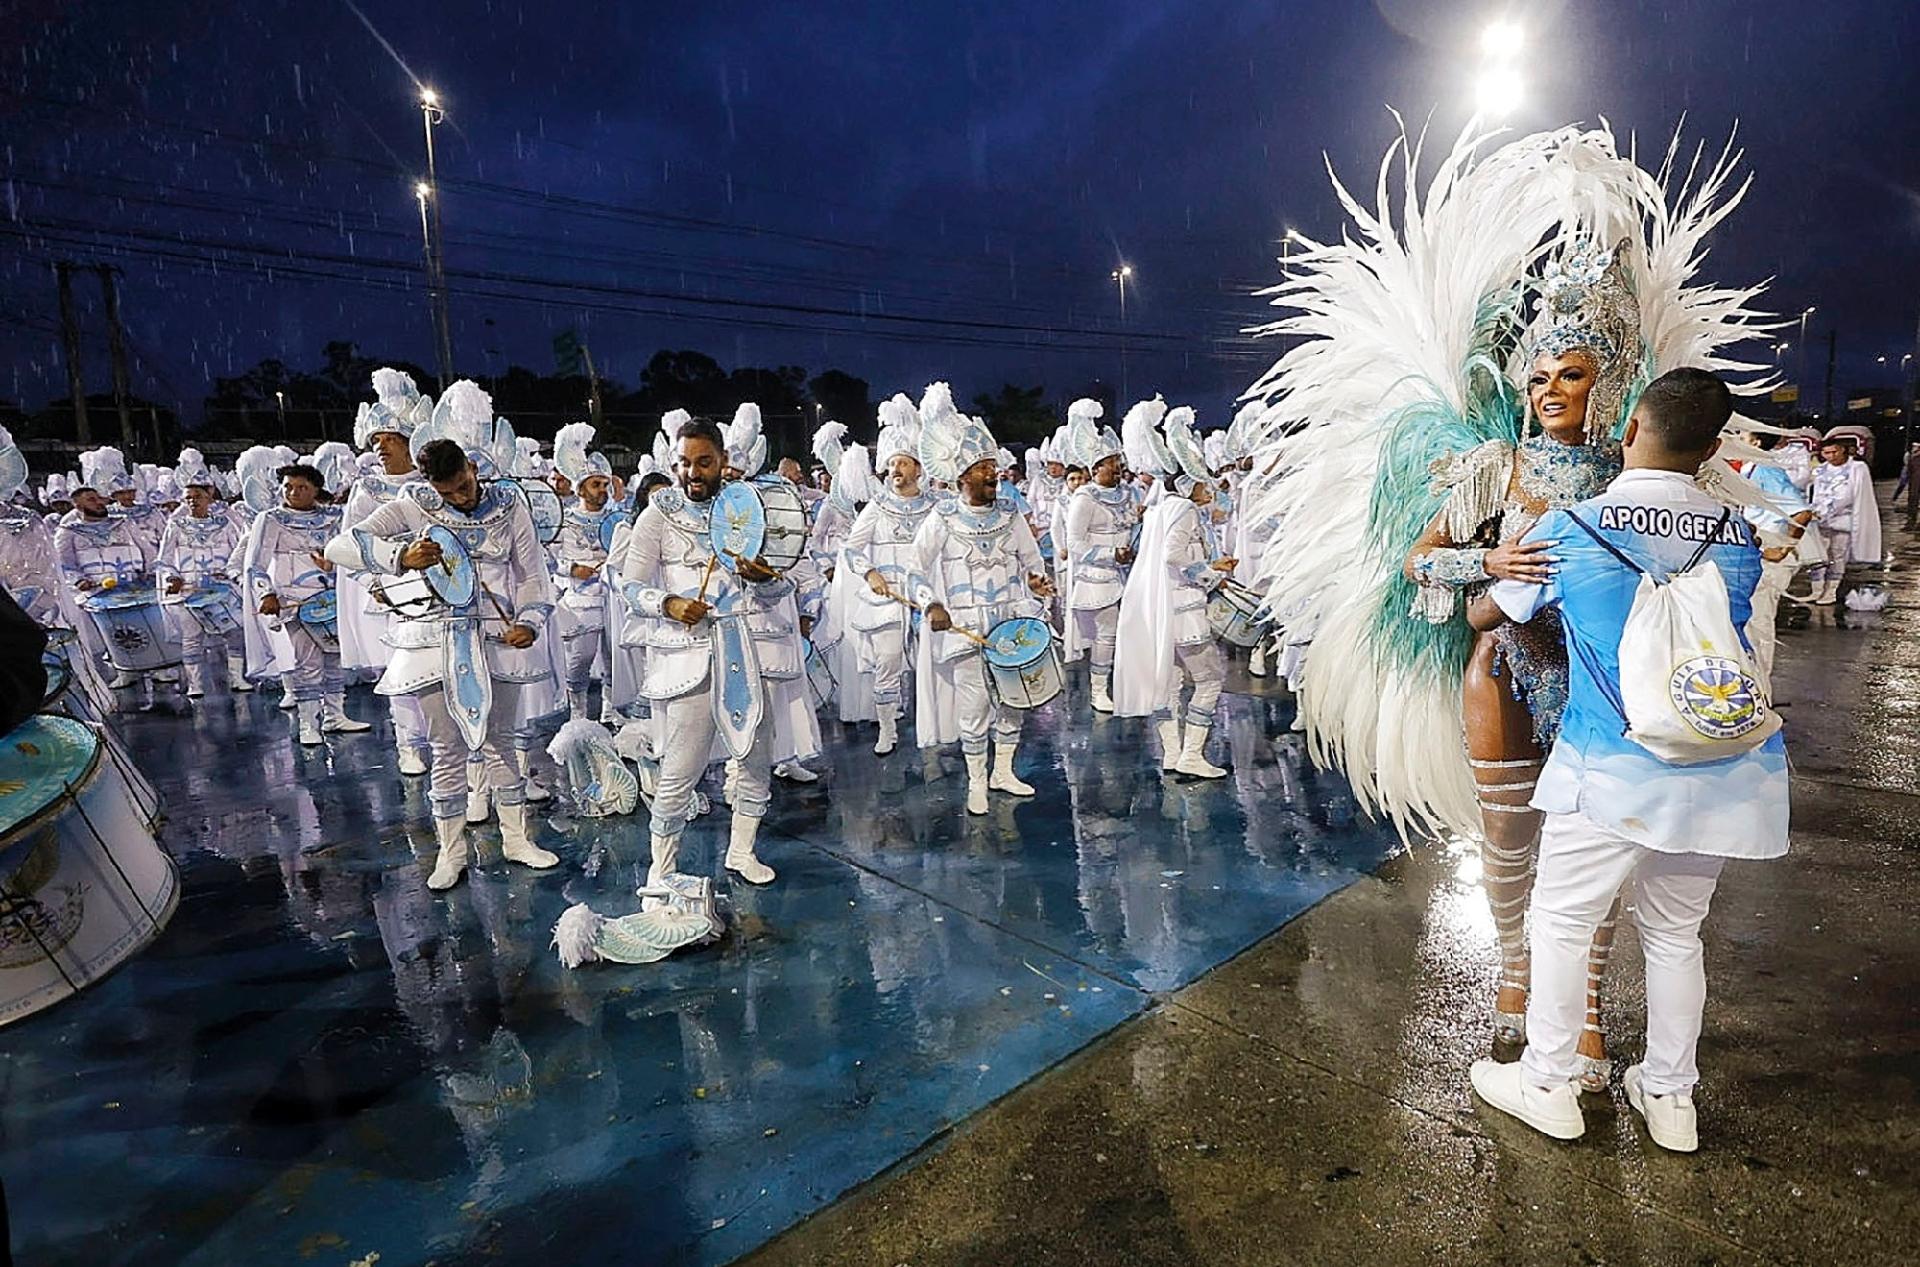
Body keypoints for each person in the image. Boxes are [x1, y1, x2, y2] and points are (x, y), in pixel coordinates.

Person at [1467, 367, 1788, 1153]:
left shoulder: (1572, 525)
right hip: (1719, 768)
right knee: (1678, 933)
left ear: (1626, 430)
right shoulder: (1738, 534)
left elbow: (1490, 611)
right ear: (1711, 447)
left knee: (1564, 918)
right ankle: (1671, 1097)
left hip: (1607, 766)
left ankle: (1546, 1082)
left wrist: (1494, 570)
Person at [324, 430, 561, 891]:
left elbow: (532, 575)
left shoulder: (510, 506)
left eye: (463, 487)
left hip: (496, 637)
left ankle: (516, 840)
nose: (458, 497)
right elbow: (340, 547)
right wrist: (399, 556)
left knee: (502, 741)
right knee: (447, 748)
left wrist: (529, 622)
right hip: (435, 640)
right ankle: (450, 854)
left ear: (472, 469)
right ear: (430, 484)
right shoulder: (414, 502)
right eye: (446, 492)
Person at [619, 414, 793, 888]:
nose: (693, 473)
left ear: (723, 462)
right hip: (688, 657)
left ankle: (741, 851)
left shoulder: (751, 506)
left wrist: (767, 579)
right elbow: (628, 584)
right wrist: (669, 603)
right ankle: (663, 871)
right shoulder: (659, 513)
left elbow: (786, 582)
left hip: (749, 654)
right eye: (684, 463)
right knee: (680, 769)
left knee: (756, 757)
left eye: (704, 462)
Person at [908, 382, 1054, 815]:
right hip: (965, 627)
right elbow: (915, 569)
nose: (995, 474)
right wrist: (931, 603)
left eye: (994, 466)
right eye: (984, 468)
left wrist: (1038, 584)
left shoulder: (1011, 515)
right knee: (974, 707)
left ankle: (1003, 771)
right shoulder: (942, 517)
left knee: (1013, 702)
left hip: (1012, 623)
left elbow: (1033, 562)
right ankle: (976, 781)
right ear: (961, 477)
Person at [1114, 405, 1237, 778]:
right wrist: (1211, 571)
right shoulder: (1183, 508)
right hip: (1182, 607)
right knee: (1210, 679)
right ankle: (1192, 755)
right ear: (1188, 483)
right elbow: (1173, 555)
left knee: (1170, 682)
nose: (1208, 486)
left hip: (1160, 607)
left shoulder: (1158, 508)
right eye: (1202, 481)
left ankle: (1172, 753)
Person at [336, 369, 436, 776]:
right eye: (375, 442)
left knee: (440, 670)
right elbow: (349, 545)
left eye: (389, 441)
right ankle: (408, 744)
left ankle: (448, 745)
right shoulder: (366, 490)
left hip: (440, 589)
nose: (380, 449)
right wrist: (375, 582)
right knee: (401, 670)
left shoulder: (432, 484)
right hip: (392, 592)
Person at [244, 463, 370, 744]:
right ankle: (307, 725)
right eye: (288, 486)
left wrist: (334, 567)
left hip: (331, 599)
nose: (293, 492)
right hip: (295, 603)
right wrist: (266, 594)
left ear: (316, 490)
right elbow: (256, 565)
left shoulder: (334, 517)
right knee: (308, 663)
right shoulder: (271, 519)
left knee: (336, 659)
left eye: (302, 487)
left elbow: (347, 553)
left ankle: (335, 717)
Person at [845, 397, 935, 755]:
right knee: (887, 663)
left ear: (918, 469)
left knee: (931, 663)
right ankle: (887, 729)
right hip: (886, 599)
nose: (895, 469)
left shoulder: (933, 507)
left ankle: (932, 724)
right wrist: (869, 572)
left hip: (925, 597)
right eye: (891, 464)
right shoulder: (877, 506)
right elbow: (852, 548)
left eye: (903, 463)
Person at [1061, 399, 1136, 712]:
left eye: (1118, 462)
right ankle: (1097, 690)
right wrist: (1109, 554)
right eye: (1111, 463)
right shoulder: (1084, 497)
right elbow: (1075, 542)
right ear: (1095, 469)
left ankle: (1121, 683)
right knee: (1107, 634)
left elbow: (1127, 521)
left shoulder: (1127, 492)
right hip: (1099, 576)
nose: (1118, 468)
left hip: (1127, 572)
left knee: (1124, 632)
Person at [156, 450, 248, 698]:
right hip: (188, 593)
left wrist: (229, 573)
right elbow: (163, 560)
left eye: (198, 496)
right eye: (188, 498)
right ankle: (196, 685)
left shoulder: (227, 522)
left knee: (234, 633)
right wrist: (172, 578)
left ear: (209, 497)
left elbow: (239, 552)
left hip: (221, 591)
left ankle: (237, 678)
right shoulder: (175, 525)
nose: (193, 501)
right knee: (192, 638)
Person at [1726, 434, 1814, 687]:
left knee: (1759, 625)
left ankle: (1761, 692)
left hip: (1769, 556)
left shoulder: (1765, 470)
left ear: (1754, 443)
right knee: (1751, 625)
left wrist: (1782, 547)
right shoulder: (1750, 470)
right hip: (1756, 553)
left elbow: (1802, 512)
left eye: (1741, 436)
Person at [550, 422, 617, 720]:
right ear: (580, 488)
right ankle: (578, 713)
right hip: (580, 601)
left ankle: (610, 711)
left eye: (605, 484)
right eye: (596, 484)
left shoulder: (618, 519)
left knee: (614, 657)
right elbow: (548, 558)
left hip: (613, 596)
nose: (603, 490)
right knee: (579, 660)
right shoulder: (563, 520)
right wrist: (572, 569)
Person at [1807, 436, 1880, 605]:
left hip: (1843, 521)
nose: (1831, 456)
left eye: (1834, 452)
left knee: (1837, 555)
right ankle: (1816, 590)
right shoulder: (1820, 469)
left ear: (1843, 450)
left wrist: (1829, 509)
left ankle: (1831, 591)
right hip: (1820, 520)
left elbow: (1854, 495)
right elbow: (1815, 493)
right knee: (1818, 555)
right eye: (1826, 453)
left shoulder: (1857, 468)